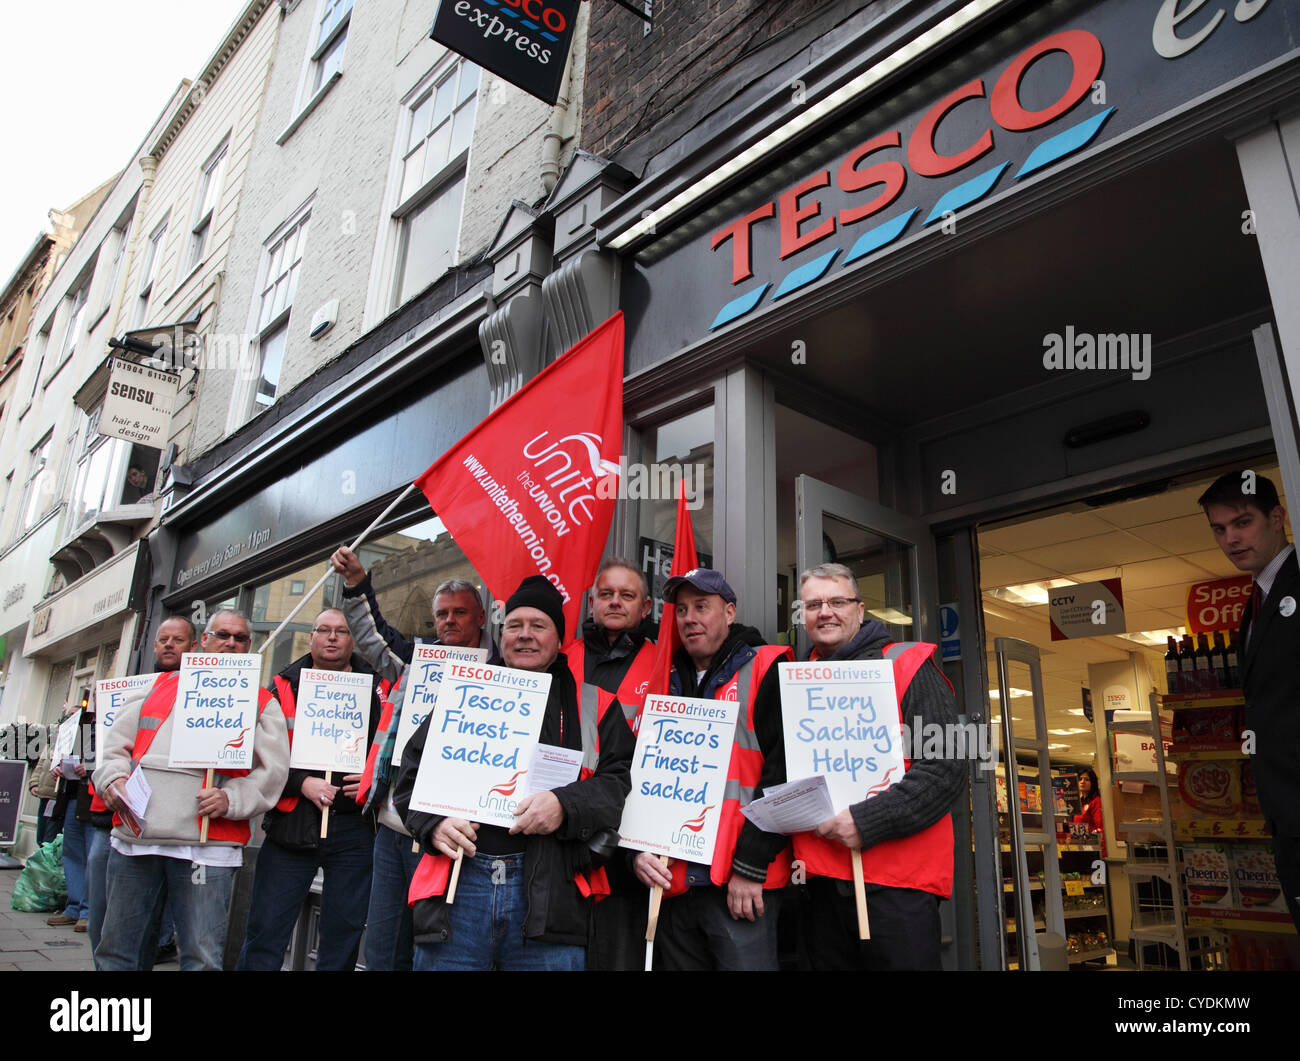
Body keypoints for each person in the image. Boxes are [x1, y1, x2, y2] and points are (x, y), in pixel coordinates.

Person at [394, 575, 635, 970]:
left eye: (538, 626)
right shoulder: (464, 692)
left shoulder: (597, 706)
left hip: (550, 898)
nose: (524, 636)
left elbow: (617, 785)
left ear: (559, 640)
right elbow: (410, 775)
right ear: (501, 635)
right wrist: (434, 823)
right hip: (459, 888)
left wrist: (564, 805)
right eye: (514, 626)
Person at [791, 563, 965, 970]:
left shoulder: (907, 665)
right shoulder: (797, 680)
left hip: (898, 891)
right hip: (820, 887)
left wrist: (868, 821)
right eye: (813, 604)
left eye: (837, 601)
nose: (825, 612)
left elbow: (945, 769)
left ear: (861, 609)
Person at [93, 610, 289, 971]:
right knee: (118, 951)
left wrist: (232, 798)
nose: (231, 643)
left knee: (201, 958)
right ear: (203, 640)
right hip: (138, 839)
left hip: (207, 845)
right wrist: (112, 780)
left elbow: (274, 771)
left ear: (250, 646)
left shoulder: (262, 702)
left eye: (241, 638)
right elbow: (113, 748)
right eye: (222, 634)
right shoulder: (154, 687)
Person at [330, 546, 492, 970]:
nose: (449, 621)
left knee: (434, 951)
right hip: (393, 828)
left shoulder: (499, 672)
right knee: (383, 949)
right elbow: (372, 635)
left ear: (480, 617)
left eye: (459, 612)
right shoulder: (416, 660)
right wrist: (355, 584)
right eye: (442, 614)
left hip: (447, 834)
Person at [631, 568, 792, 971]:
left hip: (739, 884)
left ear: (730, 612)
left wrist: (750, 867)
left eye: (702, 606)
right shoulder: (664, 680)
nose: (689, 618)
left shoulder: (766, 668)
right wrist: (637, 850)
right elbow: (643, 778)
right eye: (682, 609)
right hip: (674, 884)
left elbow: (784, 775)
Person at [236, 608, 384, 971]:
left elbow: (392, 752)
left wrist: (371, 777)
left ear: (353, 640)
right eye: (324, 630)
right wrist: (301, 782)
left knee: (343, 934)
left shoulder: (379, 688)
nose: (332, 637)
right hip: (292, 826)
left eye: (341, 631)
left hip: (354, 829)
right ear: (311, 638)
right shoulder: (281, 686)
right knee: (266, 931)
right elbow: (257, 756)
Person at [1198, 470, 1300, 931]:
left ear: (1277, 517)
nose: (1230, 539)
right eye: (1219, 529)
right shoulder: (1255, 602)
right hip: (1286, 818)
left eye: (1242, 523)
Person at [86, 618, 197, 965]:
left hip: (176, 828)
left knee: (152, 928)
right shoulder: (135, 689)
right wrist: (109, 780)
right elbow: (108, 749)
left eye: (178, 640)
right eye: (163, 639)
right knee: (110, 923)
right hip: (118, 822)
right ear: (153, 645)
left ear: (192, 647)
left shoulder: (202, 697)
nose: (169, 645)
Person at [567, 556, 656, 971]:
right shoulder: (563, 658)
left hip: (632, 839)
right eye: (606, 594)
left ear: (647, 607)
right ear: (591, 604)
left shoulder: (666, 663)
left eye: (627, 595)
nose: (615, 602)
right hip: (567, 831)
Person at [46, 703, 93, 932]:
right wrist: (57, 766)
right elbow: (64, 756)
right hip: (72, 796)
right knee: (72, 853)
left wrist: (93, 766)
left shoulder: (109, 725)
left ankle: (88, 911)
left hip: (94, 800)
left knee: (91, 857)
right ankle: (74, 907)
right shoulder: (76, 727)